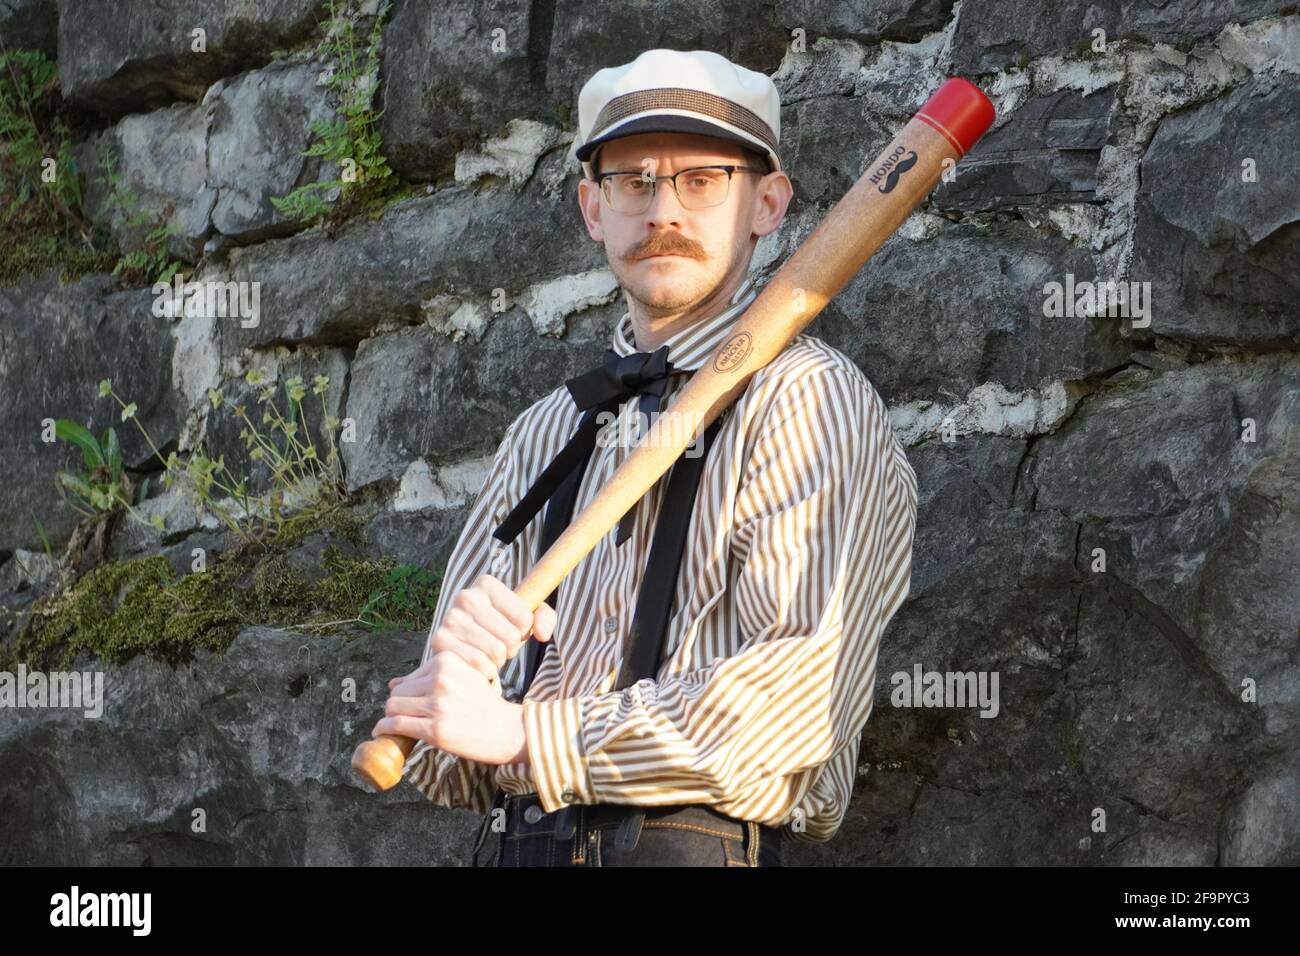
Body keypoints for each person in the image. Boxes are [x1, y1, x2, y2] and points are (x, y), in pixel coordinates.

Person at [371, 48, 919, 867]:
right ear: (594, 208)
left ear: (766, 202)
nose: (663, 208)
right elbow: (452, 765)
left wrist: (528, 730)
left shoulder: (805, 397)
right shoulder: (547, 430)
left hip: (691, 849)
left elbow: (793, 706)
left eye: (702, 179)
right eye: (634, 180)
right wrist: (455, 687)